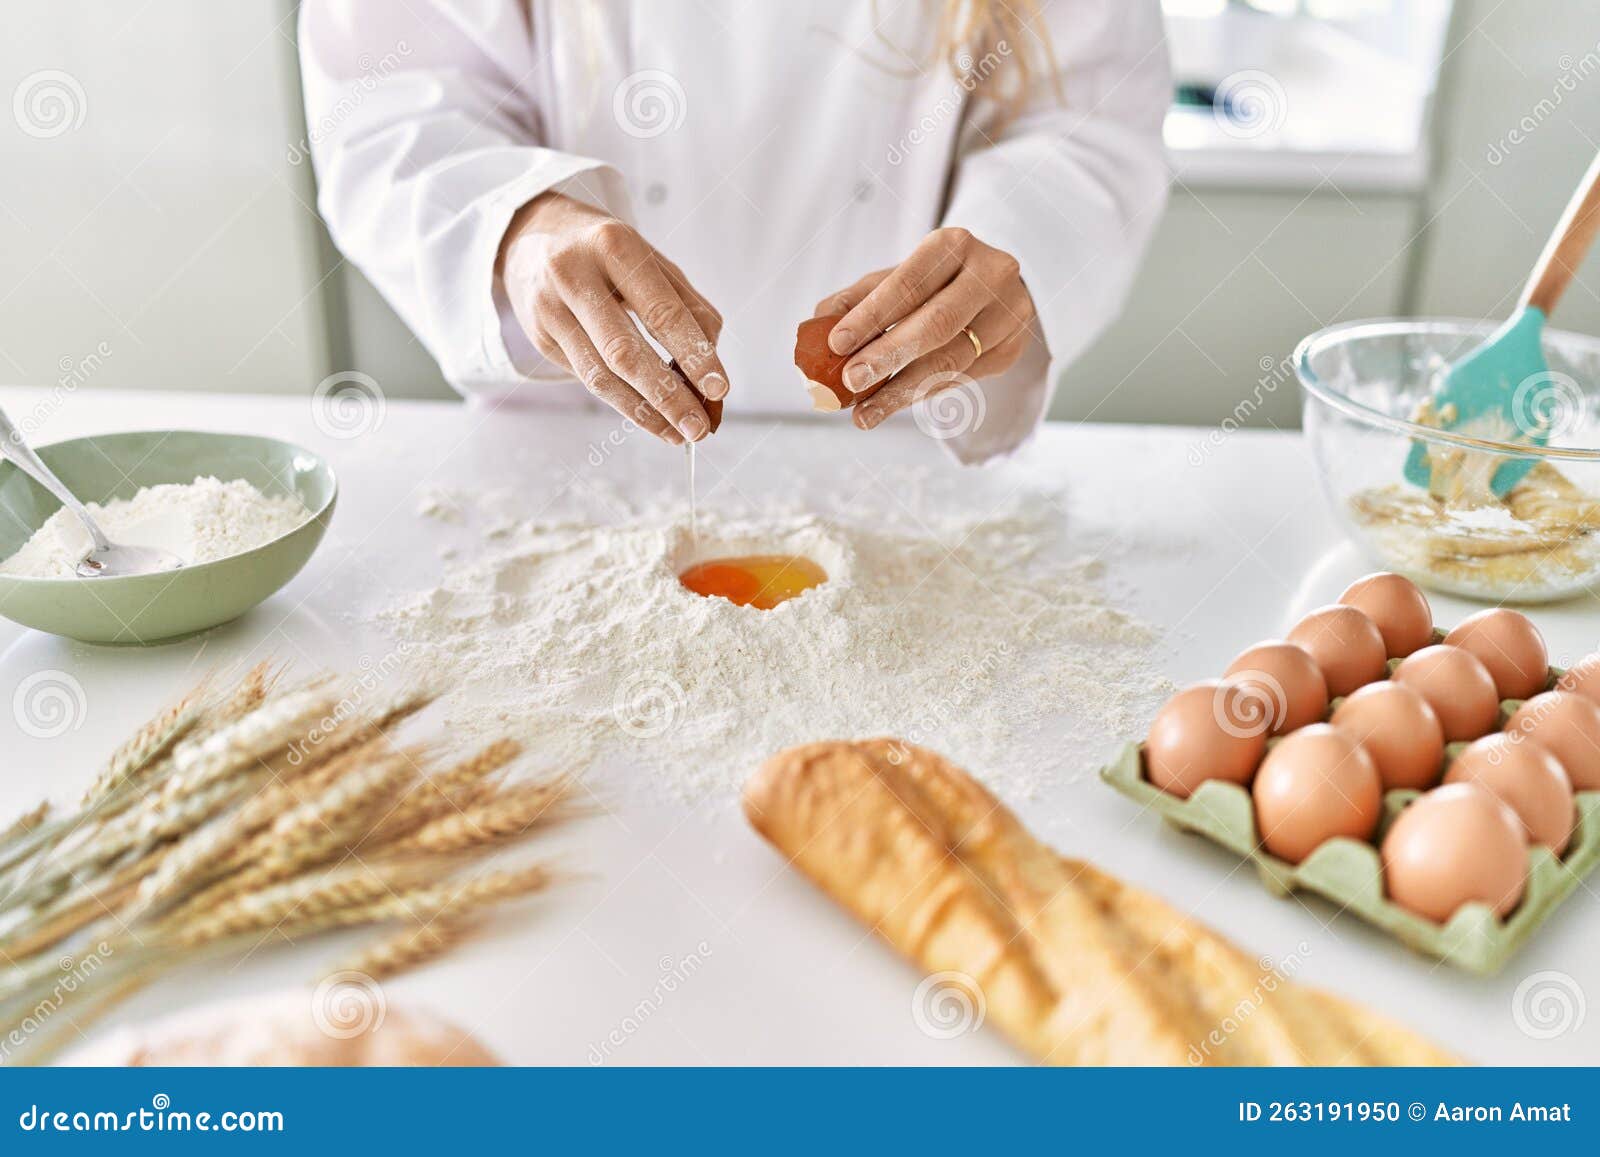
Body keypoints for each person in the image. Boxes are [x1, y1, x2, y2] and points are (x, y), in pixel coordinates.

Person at [299, 1, 1169, 463]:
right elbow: (388, 100)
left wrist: (1010, 251)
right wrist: (520, 225)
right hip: (569, 456)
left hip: (903, 462)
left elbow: (1091, 118)